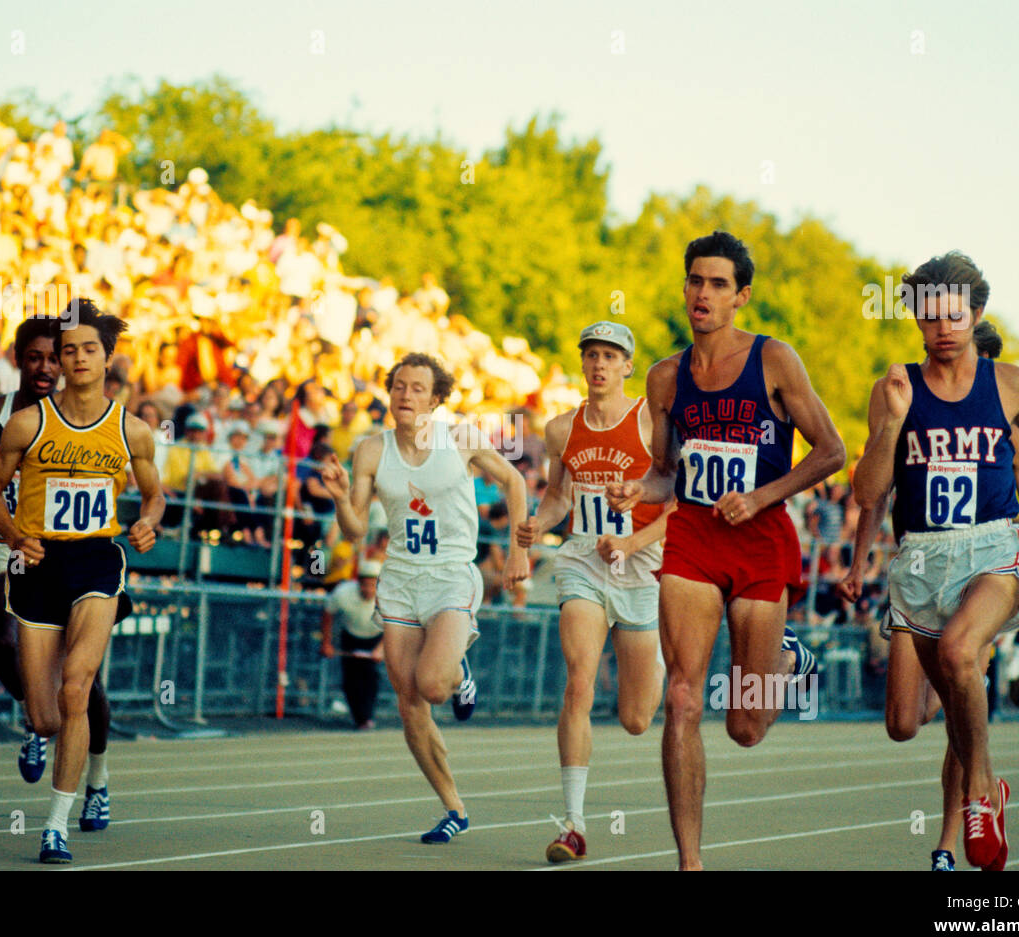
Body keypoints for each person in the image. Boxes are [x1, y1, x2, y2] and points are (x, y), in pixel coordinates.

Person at [607, 231, 843, 871]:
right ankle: (691, 862)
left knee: (745, 727)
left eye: (716, 284)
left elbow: (831, 451)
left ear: (741, 296)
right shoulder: (664, 377)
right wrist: (642, 488)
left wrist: (764, 495)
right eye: (694, 281)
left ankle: (785, 661)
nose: (702, 294)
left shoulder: (775, 361)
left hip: (761, 543)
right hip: (694, 541)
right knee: (682, 698)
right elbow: (666, 472)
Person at [854, 251, 1019, 871]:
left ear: (976, 312)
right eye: (930, 317)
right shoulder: (894, 388)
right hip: (921, 559)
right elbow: (867, 491)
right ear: (918, 319)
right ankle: (983, 777)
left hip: (991, 546)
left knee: (962, 655)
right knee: (909, 720)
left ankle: (978, 794)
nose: (943, 327)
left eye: (955, 315)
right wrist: (891, 427)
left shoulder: (1012, 383)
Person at [0, 299, 165, 864]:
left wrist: (147, 522)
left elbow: (155, 494)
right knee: (45, 715)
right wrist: (14, 536)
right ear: (56, 360)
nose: (79, 358)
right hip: (38, 567)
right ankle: (40, 732)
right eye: (69, 350)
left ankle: (55, 825)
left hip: (95, 563)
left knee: (77, 686)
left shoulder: (132, 429)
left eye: (90, 348)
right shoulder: (27, 422)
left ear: (108, 357)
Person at [320, 352, 530, 843]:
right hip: (399, 580)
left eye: (417, 388)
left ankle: (460, 673)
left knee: (434, 684)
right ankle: (453, 807)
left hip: (452, 575)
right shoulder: (371, 450)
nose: (406, 395)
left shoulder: (461, 438)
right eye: (398, 386)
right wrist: (339, 494)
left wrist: (520, 549)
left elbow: (515, 480)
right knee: (410, 700)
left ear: (436, 399)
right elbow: (352, 532)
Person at [0, 315, 114, 802]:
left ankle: (97, 777)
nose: (45, 366)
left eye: (53, 357)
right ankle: (36, 721)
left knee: (83, 683)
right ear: (18, 360)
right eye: (34, 357)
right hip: (16, 542)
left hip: (81, 558)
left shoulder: (83, 413)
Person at [514, 321, 671, 862]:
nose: (599, 364)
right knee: (578, 679)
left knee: (635, 719)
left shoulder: (650, 423)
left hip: (642, 563)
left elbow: (681, 504)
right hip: (582, 558)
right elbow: (559, 493)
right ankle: (574, 823)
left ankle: (655, 669)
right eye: (591, 356)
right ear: (582, 364)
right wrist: (540, 524)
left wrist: (635, 543)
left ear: (628, 365)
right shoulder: (561, 429)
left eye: (610, 356)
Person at [320, 560, 386, 729]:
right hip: (350, 636)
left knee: (370, 677)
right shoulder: (343, 593)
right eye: (365, 585)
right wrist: (326, 642)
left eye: (374, 585)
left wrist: (381, 649)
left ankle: (366, 716)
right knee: (350, 679)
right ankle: (359, 717)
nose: (369, 590)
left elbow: (395, 627)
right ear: (359, 583)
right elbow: (328, 615)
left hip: (375, 637)